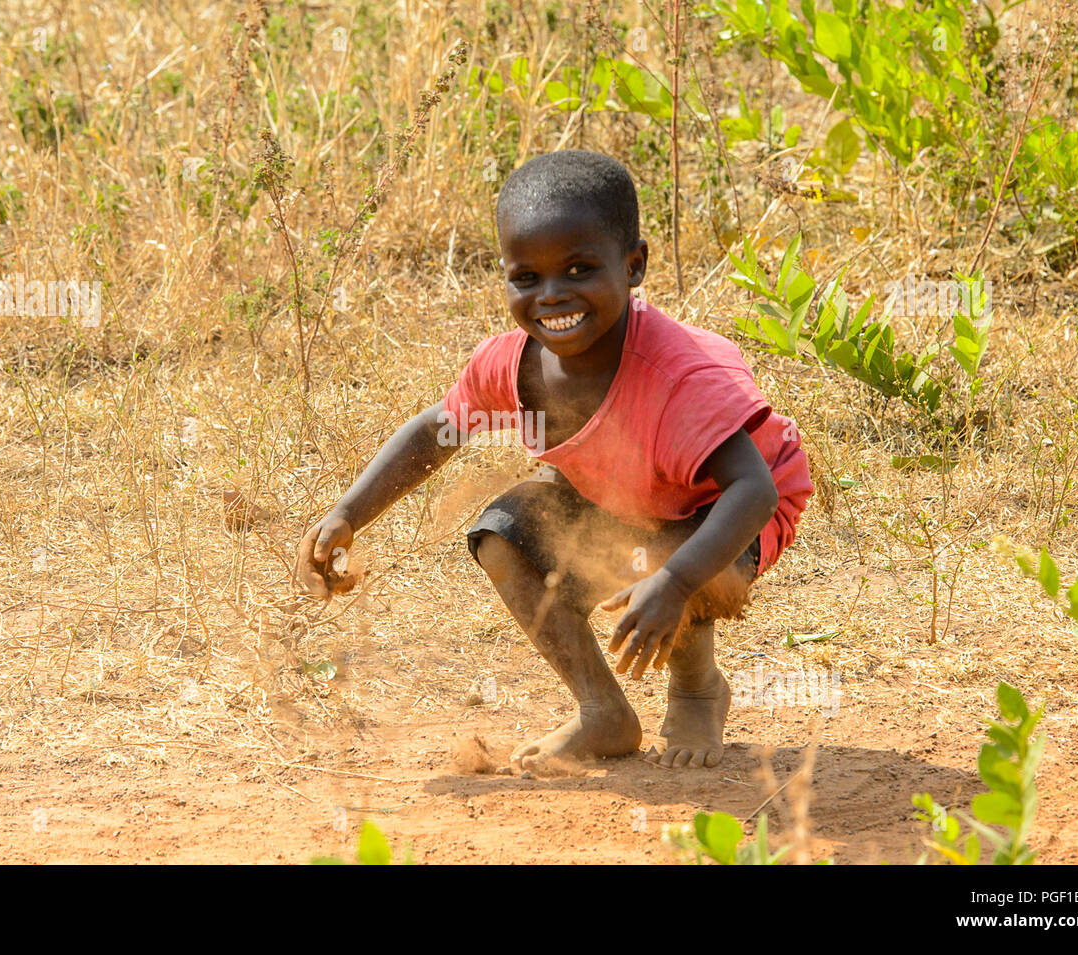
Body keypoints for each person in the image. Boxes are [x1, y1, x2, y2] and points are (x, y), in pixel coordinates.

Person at [297, 149, 813, 772]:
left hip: (731, 511)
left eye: (579, 269)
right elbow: (439, 430)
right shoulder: (513, 365)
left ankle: (697, 683)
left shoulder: (680, 379)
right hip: (623, 496)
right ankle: (602, 712)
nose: (552, 295)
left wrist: (675, 583)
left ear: (634, 265)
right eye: (526, 278)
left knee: (674, 560)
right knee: (504, 535)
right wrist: (348, 513)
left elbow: (751, 491)